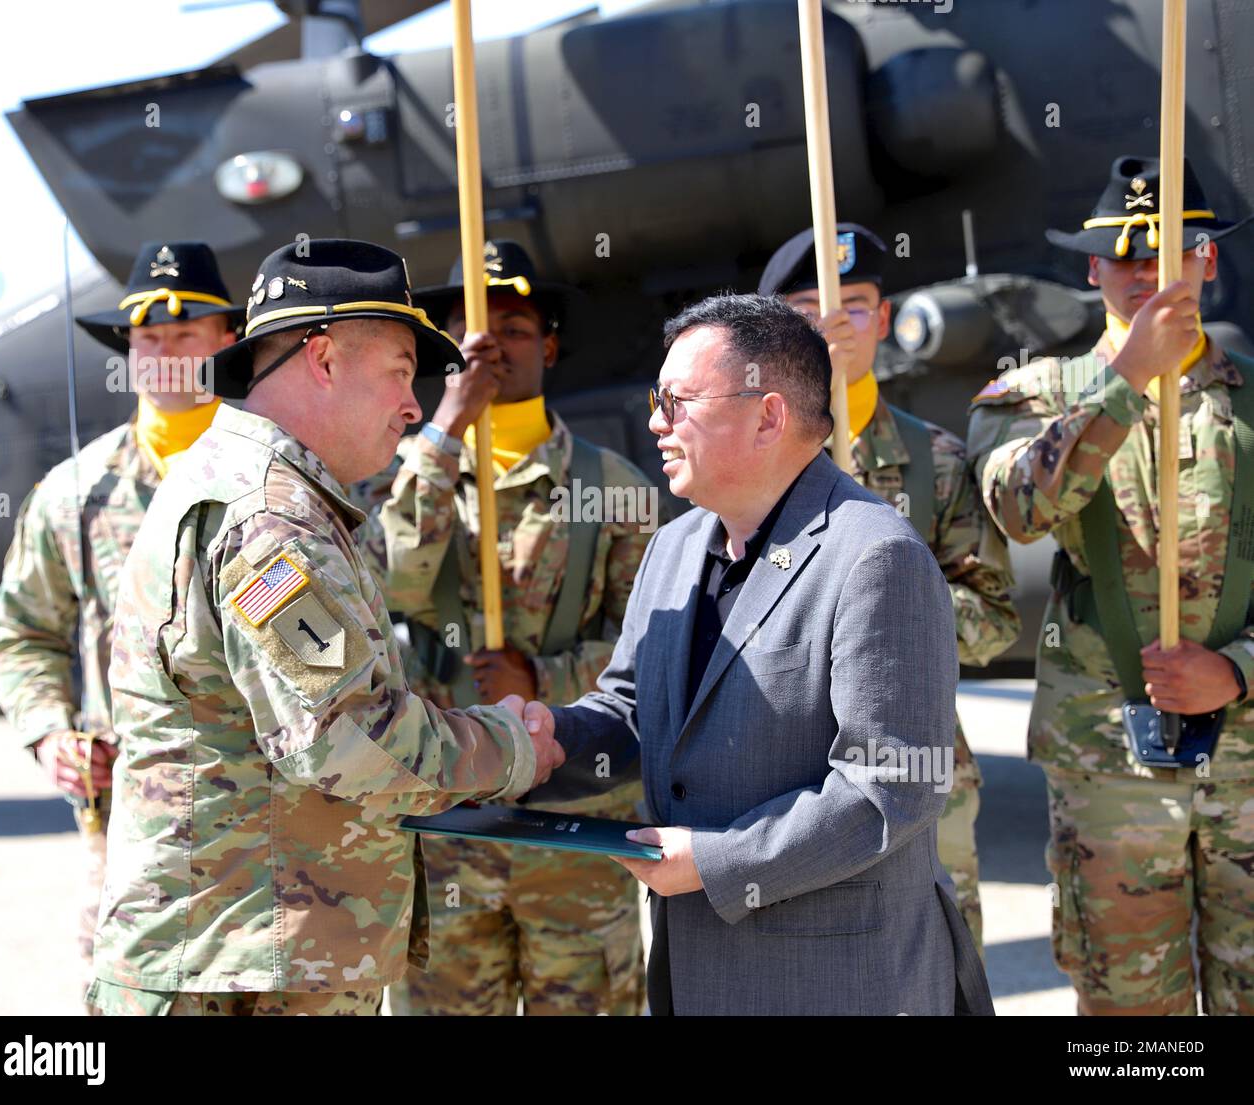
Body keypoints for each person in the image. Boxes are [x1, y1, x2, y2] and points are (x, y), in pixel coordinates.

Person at [86, 239, 562, 1017]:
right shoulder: (269, 519)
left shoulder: (267, 494)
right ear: (324, 359)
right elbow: (350, 738)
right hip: (243, 973)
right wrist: (511, 748)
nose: (414, 405)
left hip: (249, 955)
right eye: (402, 372)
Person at [523, 292, 992, 1015]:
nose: (655, 420)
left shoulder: (875, 555)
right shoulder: (674, 547)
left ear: (769, 414)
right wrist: (538, 745)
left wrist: (714, 862)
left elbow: (891, 787)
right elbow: (633, 712)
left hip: (836, 981)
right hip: (699, 974)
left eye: (676, 400)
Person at [967, 155, 1254, 1015]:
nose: (1145, 272)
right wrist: (1126, 377)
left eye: (1170, 251)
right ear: (1092, 269)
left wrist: (1238, 667)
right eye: (1124, 256)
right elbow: (1022, 506)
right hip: (1109, 766)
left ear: (1207, 260)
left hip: (1248, 763)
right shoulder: (1032, 393)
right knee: (1131, 1021)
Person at [356, 240, 657, 1015]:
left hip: (576, 829)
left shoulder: (615, 487)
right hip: (445, 816)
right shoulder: (395, 476)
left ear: (550, 344)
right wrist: (448, 428)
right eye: (469, 328)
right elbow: (393, 582)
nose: (490, 344)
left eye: (515, 326)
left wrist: (544, 682)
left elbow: (655, 653)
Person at [0, 241, 242, 1002]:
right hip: (131, 824)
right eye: (148, 337)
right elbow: (23, 630)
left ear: (228, 339)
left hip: (267, 820)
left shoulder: (274, 474)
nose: (163, 352)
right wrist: (49, 731)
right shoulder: (75, 492)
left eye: (185, 333)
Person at [757, 223, 1020, 954]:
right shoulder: (750, 459)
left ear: (886, 316)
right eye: (808, 311)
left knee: (933, 965)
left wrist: (886, 618)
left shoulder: (933, 461)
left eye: (856, 306)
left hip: (923, 775)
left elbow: (995, 617)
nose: (834, 326)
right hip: (784, 776)